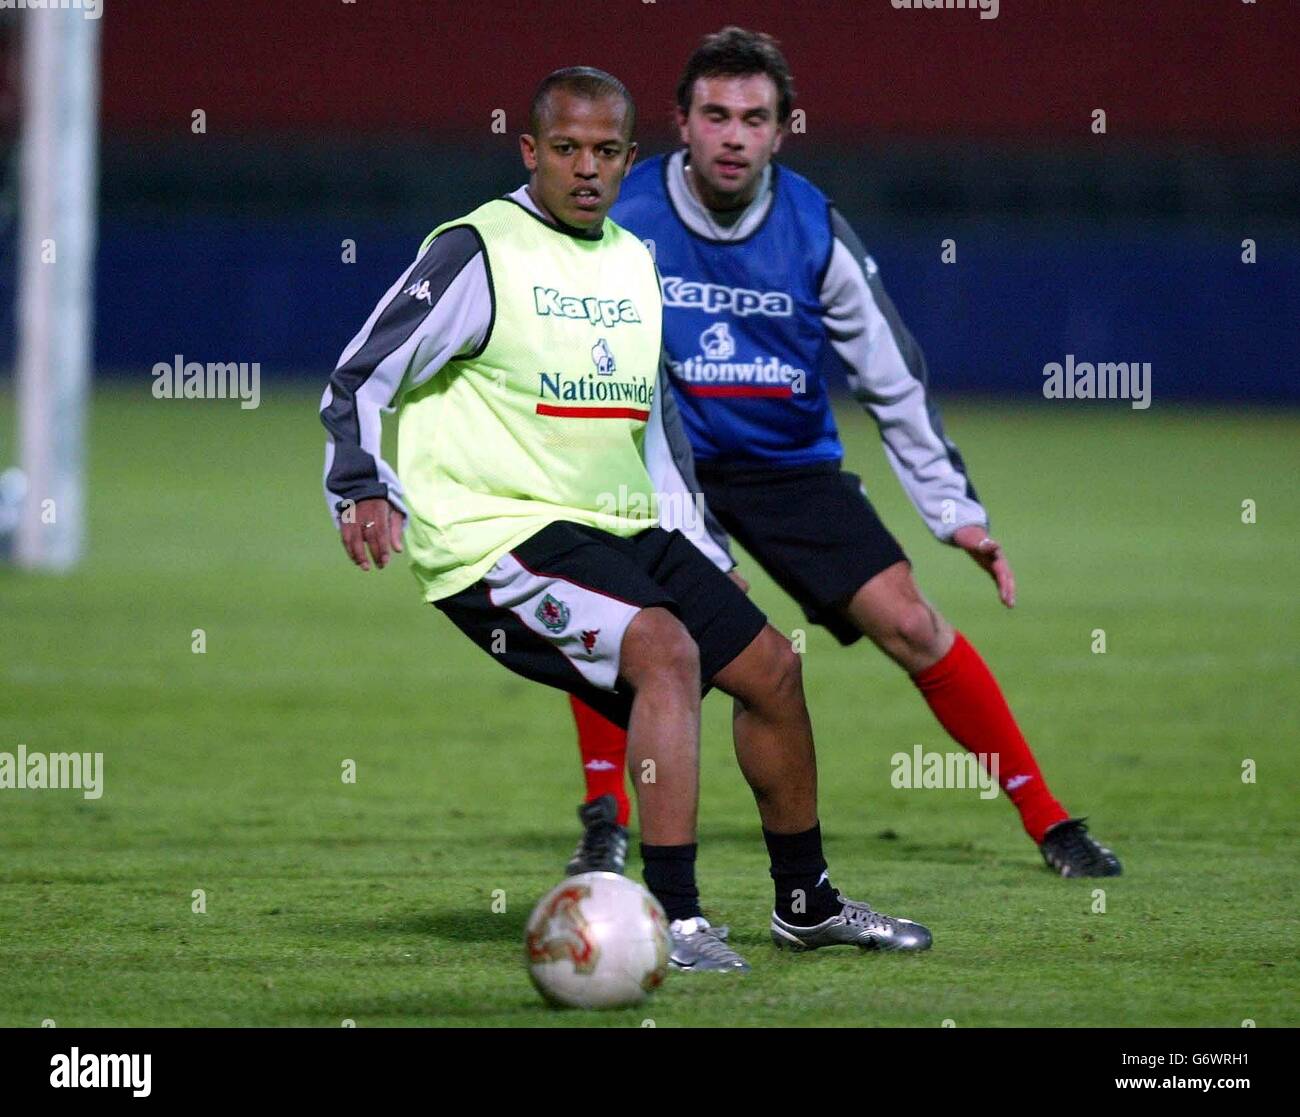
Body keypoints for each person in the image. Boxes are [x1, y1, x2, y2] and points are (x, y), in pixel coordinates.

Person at [320, 66, 933, 971]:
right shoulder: (478, 247)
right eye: (564, 148)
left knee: (772, 668)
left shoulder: (630, 262)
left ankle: (806, 901)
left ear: (631, 159)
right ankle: (673, 919)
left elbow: (657, 433)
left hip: (614, 524)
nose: (586, 168)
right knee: (665, 650)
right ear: (530, 151)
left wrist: (704, 547)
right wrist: (361, 483)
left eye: (606, 151)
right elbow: (360, 373)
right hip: (497, 538)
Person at [565, 28, 1122, 881]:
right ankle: (608, 816)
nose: (734, 135)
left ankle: (1049, 819)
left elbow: (891, 381)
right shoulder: (622, 216)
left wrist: (956, 514)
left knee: (912, 622)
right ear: (681, 122)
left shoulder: (813, 227)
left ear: (783, 130)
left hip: (785, 465)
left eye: (755, 117)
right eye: (716, 114)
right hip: (655, 461)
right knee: (627, 624)